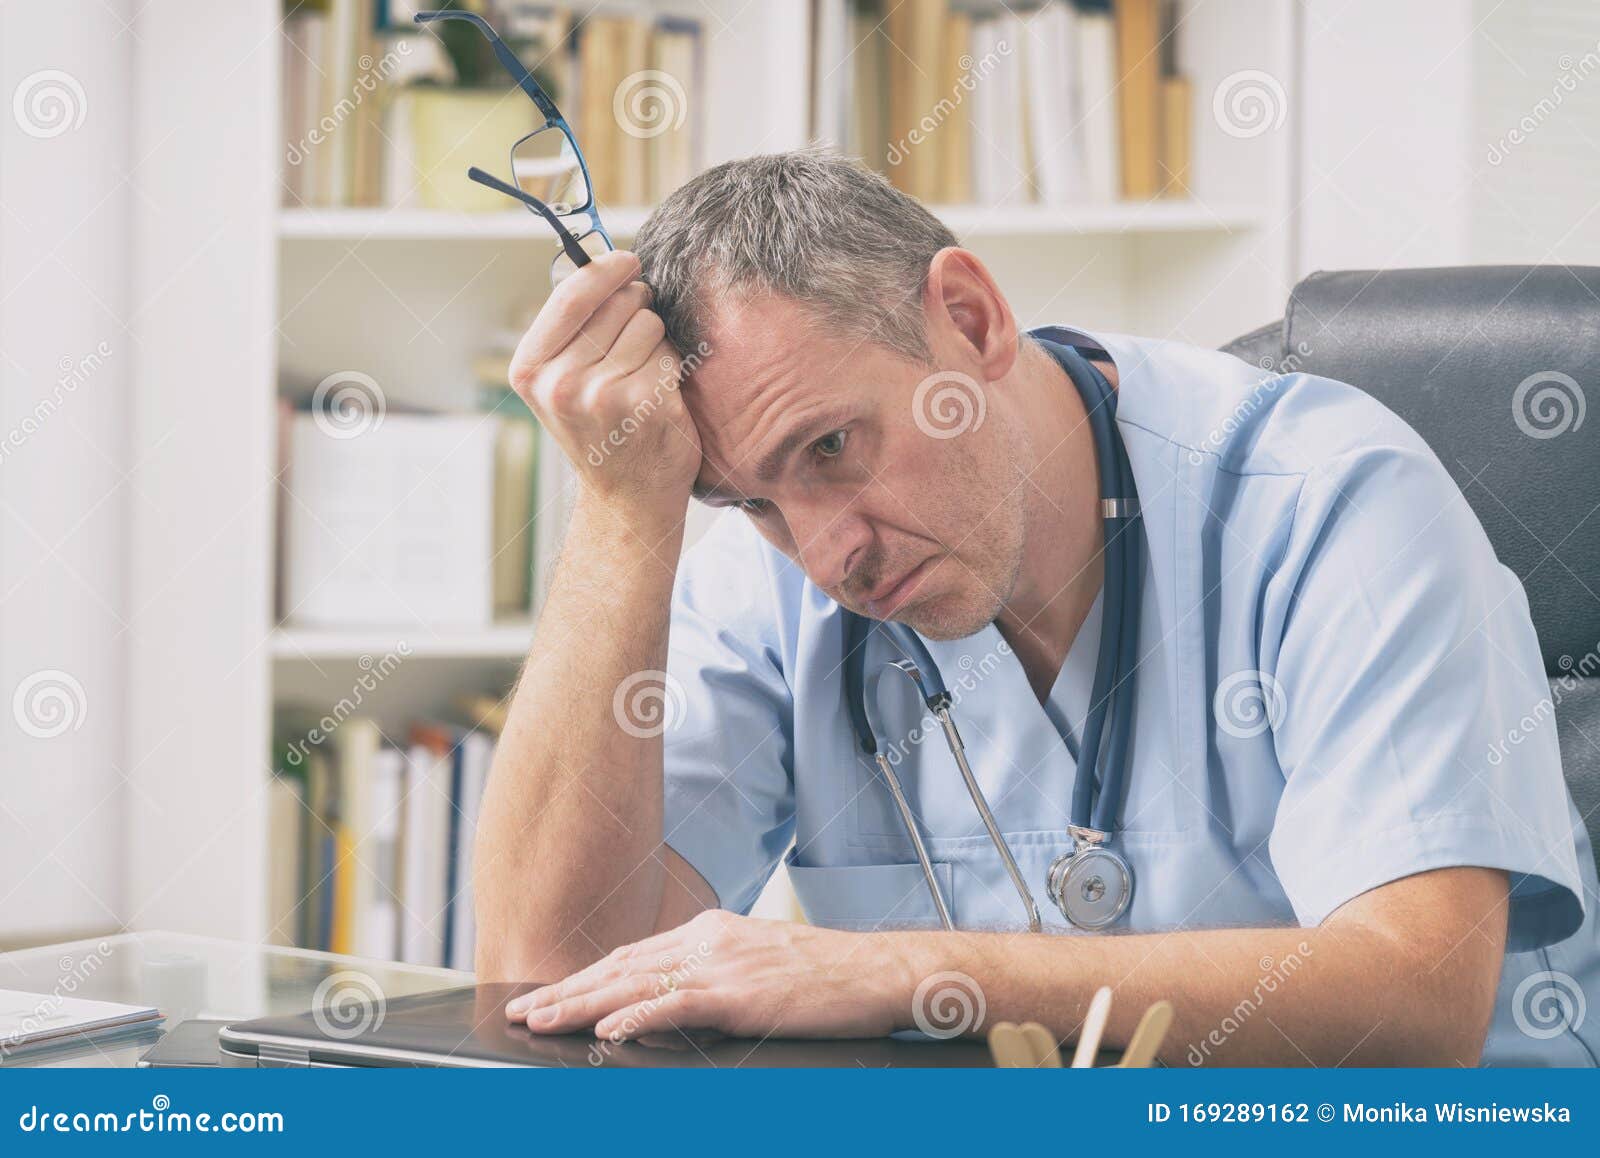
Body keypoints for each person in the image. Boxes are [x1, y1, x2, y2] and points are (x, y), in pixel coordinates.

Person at [471, 151, 1599, 1066]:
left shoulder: (1331, 504)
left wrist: (908, 973)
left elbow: (1417, 1000)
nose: (827, 556)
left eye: (830, 448)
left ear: (968, 317)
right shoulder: (766, 578)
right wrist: (624, 511)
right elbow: (552, 972)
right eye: (750, 501)